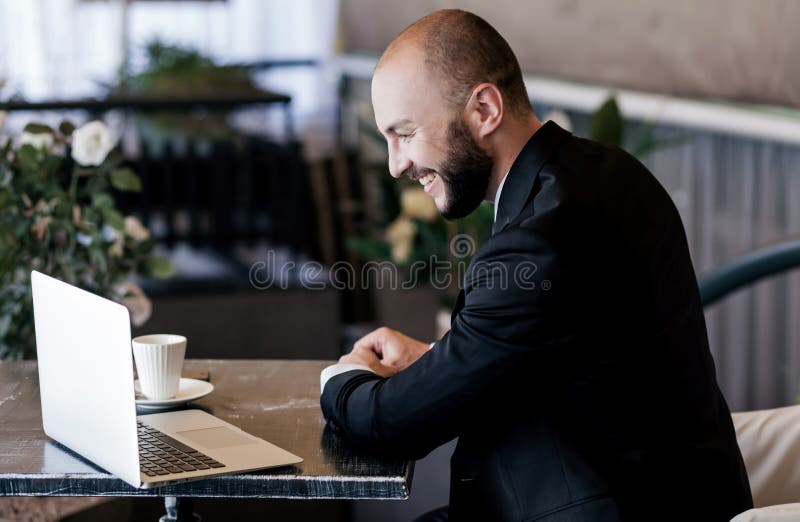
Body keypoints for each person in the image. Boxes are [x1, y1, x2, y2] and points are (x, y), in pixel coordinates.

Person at [320, 9, 752, 521]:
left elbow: (395, 425)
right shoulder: (610, 172)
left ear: (484, 108)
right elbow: (571, 352)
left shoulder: (538, 239)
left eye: (406, 134)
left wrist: (343, 379)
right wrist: (439, 359)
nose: (396, 164)